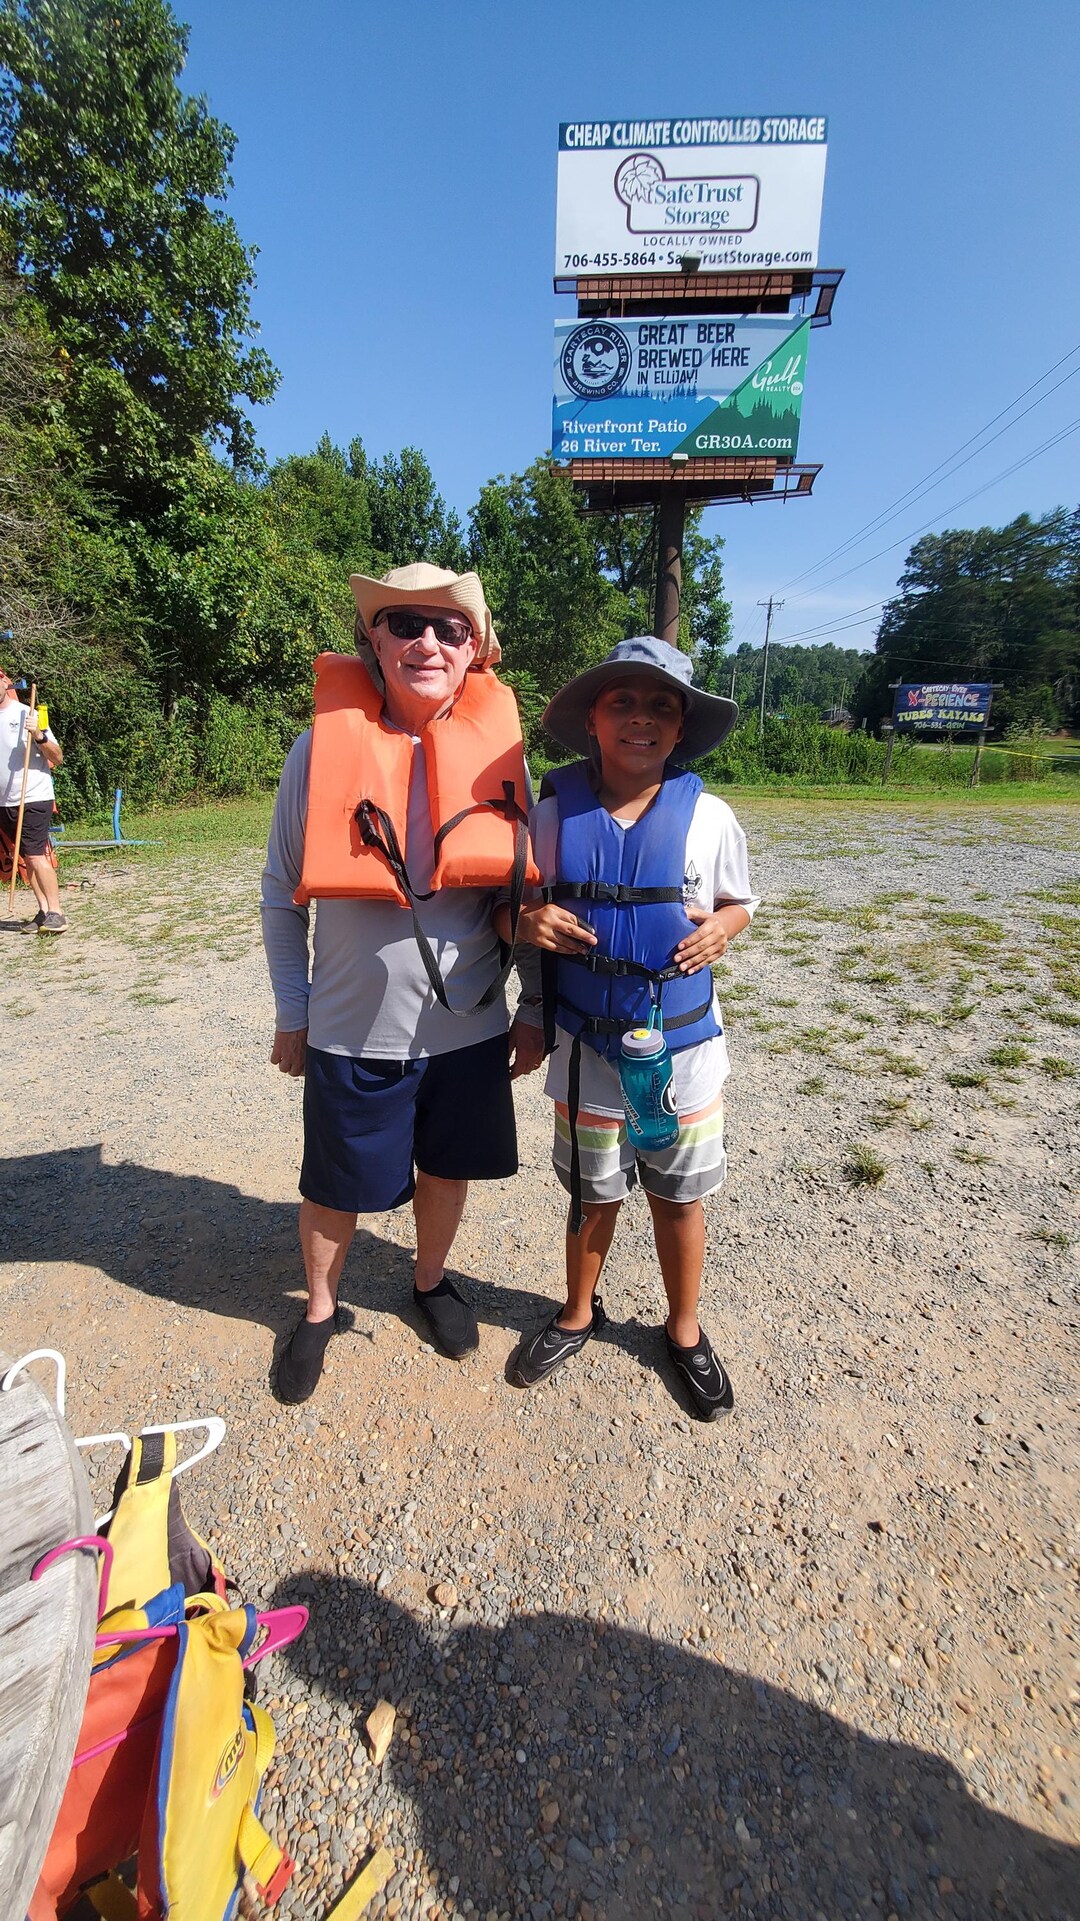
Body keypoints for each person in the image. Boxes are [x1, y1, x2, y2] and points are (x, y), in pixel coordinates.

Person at [261, 563, 540, 1404]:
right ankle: (318, 1309)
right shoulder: (319, 748)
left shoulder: (502, 755)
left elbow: (523, 891)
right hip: (352, 1028)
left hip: (471, 1028)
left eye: (448, 627)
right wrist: (292, 1007)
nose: (427, 641)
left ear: (473, 650)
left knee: (447, 1168)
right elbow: (281, 890)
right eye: (405, 623)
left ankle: (428, 1279)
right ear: (373, 640)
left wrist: (531, 1007)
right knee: (333, 1182)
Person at [502, 637, 758, 1421]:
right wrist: (527, 922)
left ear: (680, 729)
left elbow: (741, 901)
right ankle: (580, 1311)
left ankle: (683, 1331)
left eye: (661, 706)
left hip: (680, 1052)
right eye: (623, 702)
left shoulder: (710, 817)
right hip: (585, 1050)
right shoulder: (550, 815)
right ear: (592, 719)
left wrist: (727, 927)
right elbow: (514, 915)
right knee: (589, 1192)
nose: (641, 718)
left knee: (678, 1197)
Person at [0, 666, 67, 933]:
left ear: (5, 682)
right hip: (4, 801)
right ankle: (42, 911)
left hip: (33, 796)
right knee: (26, 858)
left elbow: (57, 757)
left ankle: (57, 912)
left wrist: (38, 735)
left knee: (37, 855)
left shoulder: (28, 715)